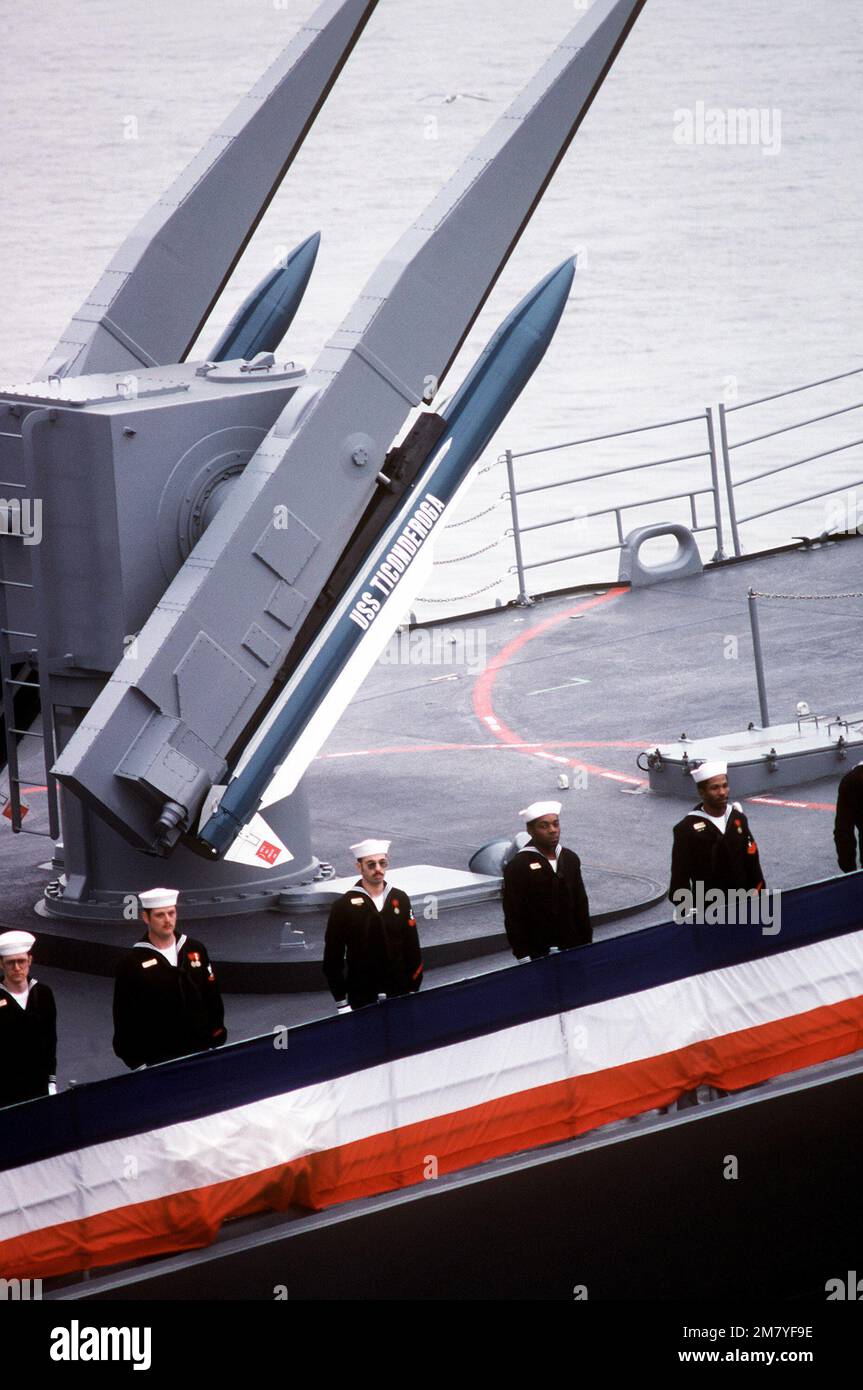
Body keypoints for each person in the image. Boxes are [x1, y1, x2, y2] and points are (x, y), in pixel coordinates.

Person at [112, 888, 227, 1070]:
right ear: (146, 918)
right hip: (158, 1059)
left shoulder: (195, 949)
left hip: (201, 1050)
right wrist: (136, 1063)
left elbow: (212, 996)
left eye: (171, 913)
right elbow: (124, 1016)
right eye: (160, 915)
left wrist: (217, 1036)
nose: (167, 920)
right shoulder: (131, 963)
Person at [323, 839, 423, 1010]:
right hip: (362, 995)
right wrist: (342, 1002)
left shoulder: (400, 898)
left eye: (382, 863)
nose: (378, 869)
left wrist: (414, 988)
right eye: (371, 864)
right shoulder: (343, 906)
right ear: (359, 867)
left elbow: (412, 946)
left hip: (400, 991)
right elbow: (333, 957)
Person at [502, 800, 591, 962]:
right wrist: (522, 954)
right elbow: (513, 914)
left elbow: (581, 903)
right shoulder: (518, 866)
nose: (553, 831)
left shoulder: (570, 858)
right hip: (537, 951)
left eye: (555, 824)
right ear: (530, 830)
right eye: (544, 826)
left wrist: (586, 942)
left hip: (572, 944)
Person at [668, 761, 766, 905]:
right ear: (701, 792)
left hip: (744, 905)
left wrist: (759, 895)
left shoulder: (738, 819)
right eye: (715, 788)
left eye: (725, 786)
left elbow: (752, 862)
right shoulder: (686, 829)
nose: (722, 792)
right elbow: (679, 878)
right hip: (709, 911)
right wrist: (689, 913)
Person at [0, 930, 57, 1107]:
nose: (17, 968)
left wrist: (51, 1080)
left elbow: (50, 1040)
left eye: (21, 961)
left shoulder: (43, 993)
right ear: (1, 964)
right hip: (5, 1087)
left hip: (38, 1083)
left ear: (30, 961)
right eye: (11, 963)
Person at [833, 761, 863, 873]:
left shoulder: (850, 780)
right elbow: (843, 831)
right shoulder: (851, 782)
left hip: (854, 782)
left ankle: (852, 876)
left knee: (844, 830)